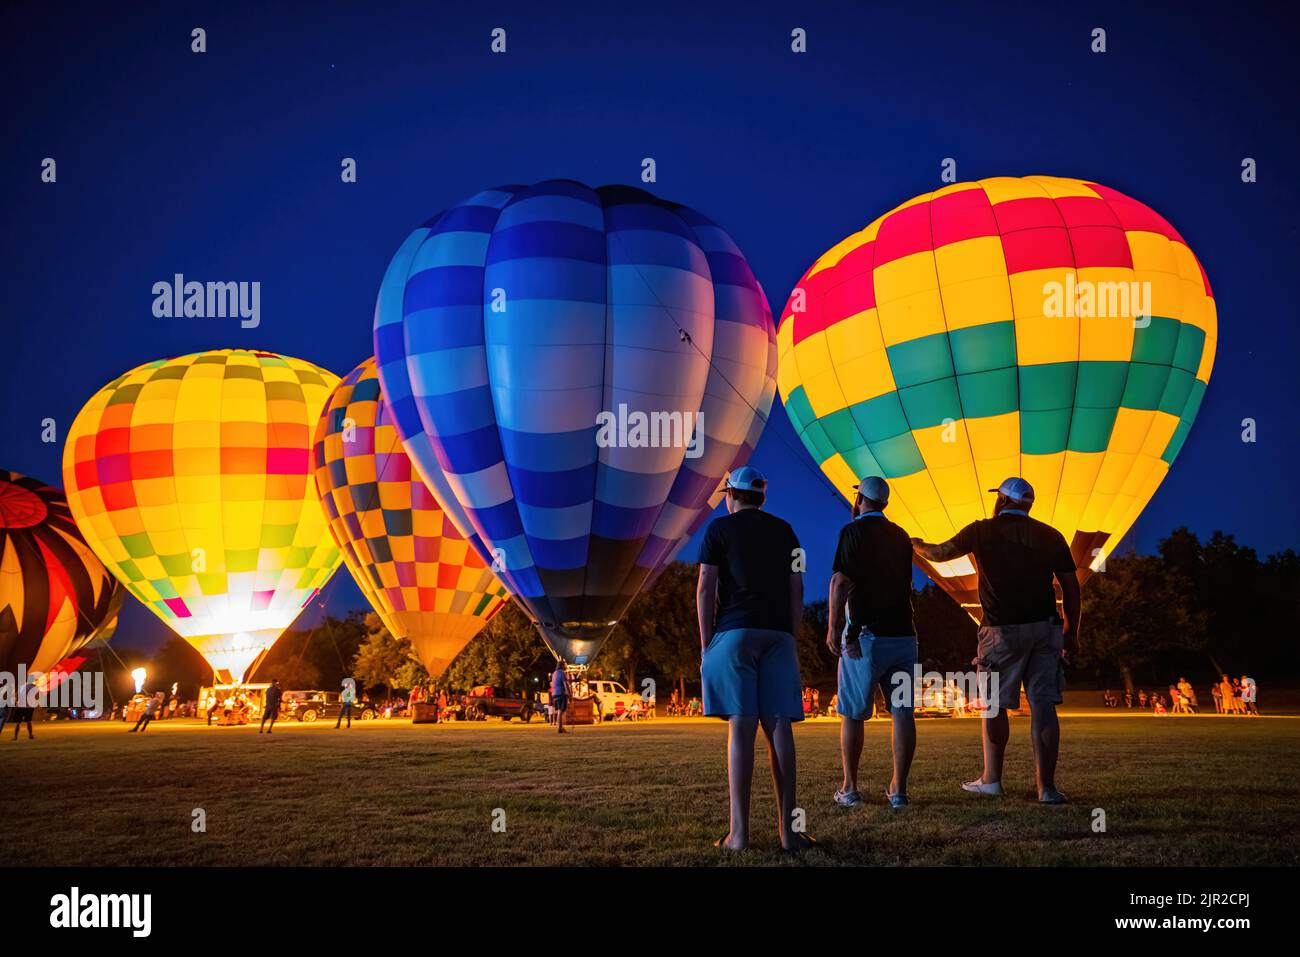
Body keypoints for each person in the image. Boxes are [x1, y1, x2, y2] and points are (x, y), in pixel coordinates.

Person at [912, 477, 1079, 805]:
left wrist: (914, 543)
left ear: (1001, 501)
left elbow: (941, 552)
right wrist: (1072, 632)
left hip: (1001, 631)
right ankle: (1047, 789)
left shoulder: (981, 530)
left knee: (993, 705)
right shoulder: (1051, 535)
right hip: (1045, 628)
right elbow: (1072, 587)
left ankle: (991, 780)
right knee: (1043, 705)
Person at [697, 465, 812, 852]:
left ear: (731, 495)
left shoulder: (719, 530)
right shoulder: (786, 532)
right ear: (761, 497)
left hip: (734, 632)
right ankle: (789, 832)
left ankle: (739, 835)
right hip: (778, 633)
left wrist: (706, 643)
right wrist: (790, 634)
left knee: (741, 726)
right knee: (780, 725)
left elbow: (705, 587)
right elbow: (797, 586)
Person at [826, 476, 918, 811]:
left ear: (859, 500)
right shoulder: (901, 536)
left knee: (852, 713)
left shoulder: (852, 532)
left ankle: (850, 788)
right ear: (886, 503)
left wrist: (833, 628)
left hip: (864, 637)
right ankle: (899, 791)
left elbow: (839, 582)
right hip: (904, 636)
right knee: (902, 711)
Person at [7, 676, 38, 740]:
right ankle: (30, 735)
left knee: (17, 722)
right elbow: (36, 696)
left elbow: (16, 696)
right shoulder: (34, 687)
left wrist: (16, 702)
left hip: (20, 706)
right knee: (28, 721)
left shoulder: (22, 686)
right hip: (30, 706)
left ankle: (15, 737)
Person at [550, 662, 571, 734]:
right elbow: (566, 684)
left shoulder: (554, 673)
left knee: (560, 710)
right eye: (565, 664)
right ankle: (560, 728)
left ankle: (561, 727)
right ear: (562, 666)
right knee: (561, 711)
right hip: (561, 693)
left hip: (555, 693)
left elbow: (552, 684)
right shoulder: (562, 673)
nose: (566, 666)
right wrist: (569, 693)